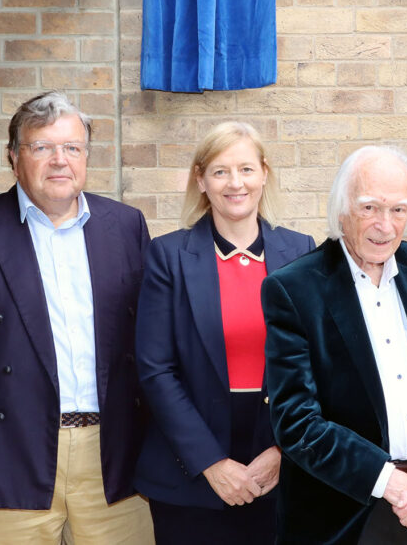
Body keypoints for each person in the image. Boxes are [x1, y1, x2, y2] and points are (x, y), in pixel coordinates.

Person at [0, 91, 154, 544]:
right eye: (42, 147)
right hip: (7, 453)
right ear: (14, 158)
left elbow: (152, 343)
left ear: (86, 156)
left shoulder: (126, 226)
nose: (60, 160)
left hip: (113, 458)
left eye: (72, 147)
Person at [262, 146, 407, 544]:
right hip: (343, 516)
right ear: (342, 208)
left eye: (398, 210)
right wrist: (394, 484)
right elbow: (296, 421)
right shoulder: (293, 289)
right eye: (369, 208)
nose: (385, 226)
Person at [134, 122, 315, 544]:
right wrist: (211, 462)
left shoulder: (302, 251)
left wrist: (283, 451)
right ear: (200, 180)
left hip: (279, 457)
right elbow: (155, 369)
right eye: (220, 171)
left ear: (264, 174)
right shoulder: (168, 256)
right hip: (190, 466)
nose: (236, 183)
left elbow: (317, 366)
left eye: (246, 169)